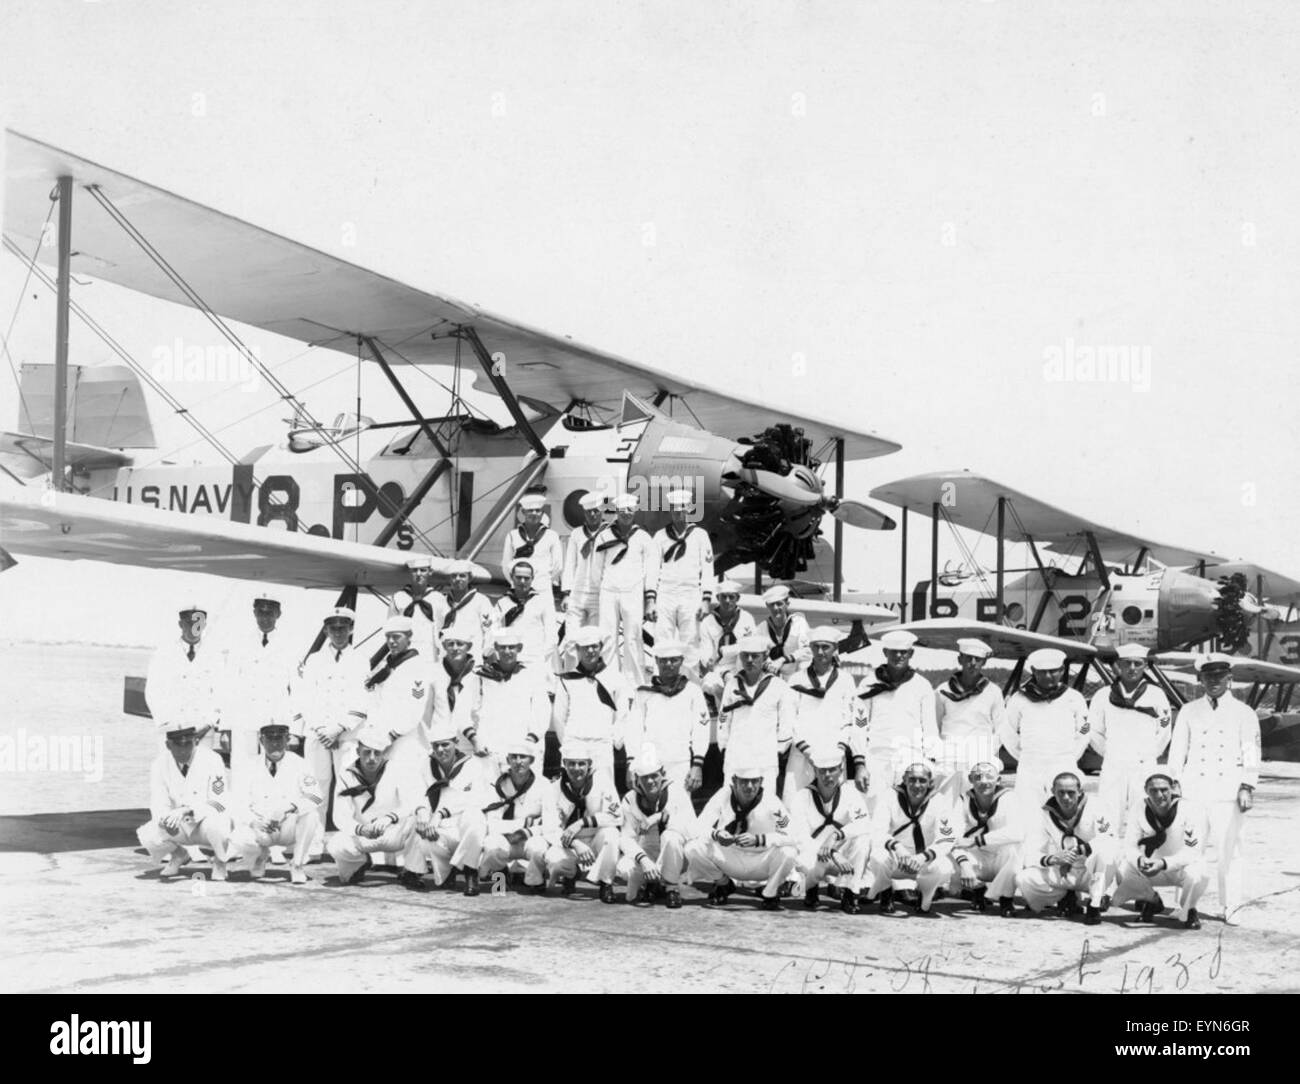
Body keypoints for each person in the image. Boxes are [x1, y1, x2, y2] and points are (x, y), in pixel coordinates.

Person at [1165, 652, 1261, 925]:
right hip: (1194, 789)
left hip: (1227, 790)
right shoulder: (1189, 710)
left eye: (1219, 676)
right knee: (1187, 848)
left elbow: (1251, 752)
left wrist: (1247, 785)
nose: (1213, 681)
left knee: (1230, 850)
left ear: (1230, 679)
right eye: (1208, 677)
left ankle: (1231, 905)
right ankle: (1183, 904)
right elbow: (1177, 750)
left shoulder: (1244, 712)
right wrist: (1175, 783)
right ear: (1201, 679)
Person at [291, 606, 368, 858]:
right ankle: (312, 845)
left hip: (346, 734)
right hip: (317, 734)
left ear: (351, 629)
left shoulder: (360, 658)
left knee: (347, 788)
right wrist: (322, 729)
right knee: (316, 788)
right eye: (333, 628)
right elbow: (304, 698)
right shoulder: (314, 660)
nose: (338, 633)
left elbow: (362, 698)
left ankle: (350, 844)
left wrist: (338, 729)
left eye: (343, 628)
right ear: (325, 630)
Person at [686, 764, 799, 910]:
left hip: (761, 860)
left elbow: (793, 835)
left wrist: (760, 839)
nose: (750, 786)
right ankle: (723, 884)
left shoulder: (771, 800)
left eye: (754, 781)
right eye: (744, 781)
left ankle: (770, 893)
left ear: (761, 781)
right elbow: (697, 826)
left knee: (789, 852)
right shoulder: (724, 795)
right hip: (730, 858)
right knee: (692, 848)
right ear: (734, 780)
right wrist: (717, 834)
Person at [1087, 643, 1172, 833]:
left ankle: (1140, 857)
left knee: (1142, 815)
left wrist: (1148, 754)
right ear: (1118, 666)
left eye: (1137, 664)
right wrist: (1110, 752)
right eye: (1127, 664)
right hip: (1113, 764)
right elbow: (1094, 732)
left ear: (1145, 666)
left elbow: (1164, 730)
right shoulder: (1103, 696)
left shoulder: (1157, 695)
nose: (1132, 668)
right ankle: (1107, 859)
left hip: (1144, 765)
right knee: (1107, 816)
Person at [402, 721, 492, 895]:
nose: (441, 750)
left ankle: (470, 872)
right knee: (417, 825)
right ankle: (444, 872)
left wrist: (441, 813)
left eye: (445, 744)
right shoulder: (425, 765)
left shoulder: (472, 764)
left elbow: (477, 799)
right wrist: (422, 812)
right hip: (440, 830)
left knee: (475, 818)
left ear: (456, 743)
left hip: (463, 828)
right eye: (436, 746)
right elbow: (416, 792)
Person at [1000, 648, 1090, 819]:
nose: (1048, 676)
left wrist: (1070, 756)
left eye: (1053, 671)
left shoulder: (1074, 698)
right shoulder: (1019, 698)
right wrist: (1026, 756)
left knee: (1064, 814)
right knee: (1027, 814)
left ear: (1062, 671)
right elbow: (1007, 732)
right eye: (1042, 672)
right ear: (1033, 671)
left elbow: (1085, 730)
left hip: (1063, 762)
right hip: (1030, 765)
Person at [229, 721, 323, 884]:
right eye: (270, 740)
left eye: (279, 740)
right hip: (261, 827)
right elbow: (237, 802)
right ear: (261, 741)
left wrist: (290, 808)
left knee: (312, 816)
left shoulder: (300, 763)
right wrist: (253, 822)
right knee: (238, 837)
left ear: (287, 740)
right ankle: (259, 858)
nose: (275, 745)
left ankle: (298, 864)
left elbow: (316, 796)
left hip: (288, 825)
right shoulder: (248, 766)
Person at [1112, 773, 1210, 930]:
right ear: (1145, 790)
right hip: (1150, 868)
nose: (1159, 795)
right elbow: (1129, 845)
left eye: (1164, 790)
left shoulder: (1190, 809)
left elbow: (1192, 851)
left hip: (1179, 868)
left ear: (1172, 789)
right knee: (1122, 868)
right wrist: (1139, 859)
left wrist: (1164, 863)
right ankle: (1151, 901)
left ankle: (1189, 909)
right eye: (1153, 790)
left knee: (1200, 871)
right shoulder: (1138, 808)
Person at [136, 722, 232, 881]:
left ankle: (220, 862)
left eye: (187, 743)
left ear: (195, 741)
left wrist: (187, 810)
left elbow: (219, 802)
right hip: (178, 824)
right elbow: (158, 801)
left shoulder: (212, 759)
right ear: (168, 745)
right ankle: (179, 855)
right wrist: (165, 820)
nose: (183, 750)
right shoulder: (159, 764)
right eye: (177, 745)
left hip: (205, 822)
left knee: (220, 827)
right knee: (148, 834)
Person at [1016, 771, 1116, 923]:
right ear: (1052, 792)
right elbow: (1031, 849)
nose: (1066, 798)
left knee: (1106, 855)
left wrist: (1080, 850)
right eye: (1060, 792)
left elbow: (1109, 838)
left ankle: (1094, 904)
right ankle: (1065, 897)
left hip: (1090, 871)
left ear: (1080, 792)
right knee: (1024, 878)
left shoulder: (1097, 806)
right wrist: (1052, 858)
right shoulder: (1044, 813)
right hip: (1063, 869)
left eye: (1071, 793)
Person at [328, 726, 423, 885]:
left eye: (377, 753)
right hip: (362, 834)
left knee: (418, 820)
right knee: (335, 844)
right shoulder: (346, 774)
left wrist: (388, 818)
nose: (371, 758)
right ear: (358, 751)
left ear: (384, 753)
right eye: (366, 752)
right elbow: (340, 815)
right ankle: (360, 863)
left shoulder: (396, 769)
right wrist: (361, 829)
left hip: (393, 833)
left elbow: (411, 803)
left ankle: (412, 871)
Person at [855, 629, 940, 809]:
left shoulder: (922, 686)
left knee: (904, 812)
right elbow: (859, 726)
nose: (899, 656)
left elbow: (930, 727)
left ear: (911, 653)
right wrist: (860, 764)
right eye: (894, 652)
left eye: (904, 652)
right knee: (874, 809)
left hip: (910, 759)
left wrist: (930, 763)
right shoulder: (868, 684)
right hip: (876, 759)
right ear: (885, 652)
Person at [864, 762, 955, 915]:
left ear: (930, 783)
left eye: (922, 780)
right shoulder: (889, 796)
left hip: (923, 861)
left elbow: (946, 838)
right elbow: (877, 831)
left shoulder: (940, 801)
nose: (916, 785)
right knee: (877, 857)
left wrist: (923, 857)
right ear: (904, 780)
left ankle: (925, 896)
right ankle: (886, 892)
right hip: (896, 858)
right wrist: (898, 848)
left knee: (945, 867)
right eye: (912, 780)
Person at [789, 746, 872, 914]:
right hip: (815, 855)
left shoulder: (850, 793)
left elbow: (864, 824)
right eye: (823, 771)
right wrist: (833, 854)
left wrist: (836, 835)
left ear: (841, 770)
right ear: (815, 771)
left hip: (841, 854)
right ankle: (811, 887)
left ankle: (850, 893)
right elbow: (800, 838)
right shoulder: (801, 797)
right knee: (800, 855)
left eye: (832, 770)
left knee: (864, 840)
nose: (828, 775)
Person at [222, 592, 296, 780]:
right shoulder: (239, 643)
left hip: (275, 718)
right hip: (244, 717)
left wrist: (295, 729)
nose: (265, 618)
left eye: (270, 613)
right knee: (241, 768)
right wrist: (225, 725)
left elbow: (297, 688)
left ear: (278, 614)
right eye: (261, 612)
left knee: (273, 769)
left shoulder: (290, 645)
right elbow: (229, 684)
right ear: (254, 613)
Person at [552, 626, 633, 792]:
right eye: (585, 647)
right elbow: (558, 717)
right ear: (577, 650)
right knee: (572, 794)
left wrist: (615, 738)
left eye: (594, 646)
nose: (590, 651)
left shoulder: (614, 678)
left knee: (603, 792)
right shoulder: (567, 680)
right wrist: (567, 745)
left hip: (602, 745)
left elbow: (623, 712)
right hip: (574, 745)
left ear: (601, 648)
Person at [618, 743, 698, 908]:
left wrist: (659, 817)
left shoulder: (677, 793)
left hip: (674, 857)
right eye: (644, 777)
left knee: (671, 836)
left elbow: (692, 831)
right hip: (647, 855)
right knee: (623, 867)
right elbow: (626, 838)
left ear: (662, 774)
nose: (650, 781)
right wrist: (644, 860)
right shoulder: (630, 799)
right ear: (637, 779)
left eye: (654, 775)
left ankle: (671, 888)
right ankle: (651, 884)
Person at [626, 640, 710, 795]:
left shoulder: (693, 691)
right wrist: (631, 763)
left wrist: (697, 764)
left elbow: (701, 729)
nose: (669, 664)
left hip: (679, 760)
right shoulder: (644, 692)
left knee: (680, 812)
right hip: (649, 761)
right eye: (663, 660)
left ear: (681, 661)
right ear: (657, 661)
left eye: (674, 660)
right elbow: (634, 729)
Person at [540, 744, 623, 901]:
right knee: (554, 860)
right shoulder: (553, 789)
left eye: (581, 763)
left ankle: (606, 882)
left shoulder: (603, 782)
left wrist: (582, 822)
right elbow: (550, 829)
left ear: (589, 765)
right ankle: (571, 874)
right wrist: (575, 843)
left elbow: (617, 816)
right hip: (569, 842)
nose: (576, 768)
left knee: (612, 834)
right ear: (564, 764)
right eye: (571, 763)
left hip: (595, 836)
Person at [716, 634, 795, 794]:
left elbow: (787, 723)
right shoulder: (732, 685)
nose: (750, 660)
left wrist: (777, 750)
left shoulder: (778, 686)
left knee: (765, 810)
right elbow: (723, 719)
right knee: (730, 805)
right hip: (736, 758)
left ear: (765, 657)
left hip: (765, 759)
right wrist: (724, 747)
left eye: (755, 656)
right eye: (745, 655)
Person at [466, 629, 551, 777]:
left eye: (511, 647)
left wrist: (530, 741)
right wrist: (475, 739)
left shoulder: (531, 676)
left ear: (519, 648)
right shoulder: (481, 677)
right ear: (496, 648)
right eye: (502, 647)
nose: (507, 651)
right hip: (490, 749)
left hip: (521, 750)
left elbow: (542, 712)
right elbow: (463, 711)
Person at [355, 614, 433, 774]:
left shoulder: (417, 667)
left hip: (403, 742)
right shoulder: (389, 667)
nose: (391, 641)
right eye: (388, 637)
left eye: (396, 636)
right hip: (379, 741)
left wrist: (391, 735)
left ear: (409, 637)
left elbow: (415, 709)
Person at [784, 626, 858, 795]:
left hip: (833, 756)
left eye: (825, 647)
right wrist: (807, 750)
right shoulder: (797, 679)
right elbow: (790, 719)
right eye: (816, 646)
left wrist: (839, 750)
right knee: (794, 805)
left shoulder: (846, 680)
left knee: (833, 808)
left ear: (835, 649)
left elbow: (850, 719)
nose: (820, 651)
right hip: (803, 755)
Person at [594, 492, 659, 680]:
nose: (626, 513)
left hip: (633, 593)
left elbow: (651, 570)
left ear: (635, 511)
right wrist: (604, 589)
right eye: (623, 510)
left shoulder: (644, 538)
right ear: (617, 511)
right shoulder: (604, 536)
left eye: (630, 510)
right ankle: (607, 679)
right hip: (608, 592)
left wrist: (649, 598)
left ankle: (635, 683)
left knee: (633, 638)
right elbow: (596, 570)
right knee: (607, 637)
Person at [934, 637, 1007, 800]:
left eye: (978, 659)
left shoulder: (993, 692)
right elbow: (935, 725)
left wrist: (987, 755)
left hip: (980, 758)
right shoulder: (943, 690)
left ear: (984, 663)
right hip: (949, 758)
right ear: (960, 659)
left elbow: (1001, 729)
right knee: (946, 807)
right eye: (968, 658)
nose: (973, 663)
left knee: (975, 806)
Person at [949, 760, 1023, 916]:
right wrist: (965, 865)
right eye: (978, 777)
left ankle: (1006, 898)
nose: (983, 781)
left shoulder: (1010, 798)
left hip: (1000, 857)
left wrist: (977, 840)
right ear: (970, 779)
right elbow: (953, 836)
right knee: (948, 850)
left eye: (989, 776)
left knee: (1017, 850)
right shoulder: (963, 799)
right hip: (977, 857)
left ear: (998, 780)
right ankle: (978, 890)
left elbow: (1017, 832)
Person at [652, 488, 714, 668]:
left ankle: (691, 685)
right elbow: (653, 570)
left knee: (691, 642)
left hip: (690, 594)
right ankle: (660, 682)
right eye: (674, 508)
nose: (678, 512)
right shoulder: (660, 537)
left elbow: (708, 569)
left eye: (682, 507)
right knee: (663, 640)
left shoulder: (700, 535)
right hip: (666, 593)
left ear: (689, 508)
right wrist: (651, 599)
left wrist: (706, 600)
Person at [145, 602, 221, 748]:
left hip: (203, 733)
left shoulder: (214, 656)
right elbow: (153, 692)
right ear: (180, 624)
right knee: (170, 770)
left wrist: (207, 724)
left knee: (202, 769)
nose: (194, 627)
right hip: (171, 731)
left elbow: (221, 693)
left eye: (199, 623)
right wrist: (168, 724)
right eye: (189, 622)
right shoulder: (163, 654)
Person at [477, 739, 548, 893]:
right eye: (514, 757)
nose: (518, 762)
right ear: (508, 760)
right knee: (491, 844)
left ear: (532, 760)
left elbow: (550, 822)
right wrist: (526, 823)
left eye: (523, 757)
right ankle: (500, 877)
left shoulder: (544, 785)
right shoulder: (498, 785)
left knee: (539, 846)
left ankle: (536, 881)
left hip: (530, 838)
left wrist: (526, 831)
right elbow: (493, 823)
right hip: (506, 838)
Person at [560, 491, 607, 663]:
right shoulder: (577, 534)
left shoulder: (608, 533)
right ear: (584, 514)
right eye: (589, 512)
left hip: (599, 593)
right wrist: (566, 592)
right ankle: (570, 675)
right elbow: (570, 563)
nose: (593, 515)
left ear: (602, 511)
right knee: (571, 638)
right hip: (578, 593)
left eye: (596, 511)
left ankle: (593, 676)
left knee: (594, 639)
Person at [501, 492, 564, 612]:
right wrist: (517, 583)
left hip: (543, 588)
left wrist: (544, 580)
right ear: (523, 512)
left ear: (542, 513)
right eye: (530, 510)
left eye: (537, 510)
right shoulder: (512, 536)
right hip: (519, 589)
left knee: (546, 623)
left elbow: (558, 565)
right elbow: (506, 565)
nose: (534, 514)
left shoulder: (552, 536)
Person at [491, 560, 558, 670]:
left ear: (532, 579)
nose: (522, 581)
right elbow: (494, 633)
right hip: (510, 661)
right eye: (518, 577)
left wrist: (542, 658)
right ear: (512, 577)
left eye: (527, 578)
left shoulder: (543, 602)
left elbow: (551, 635)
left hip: (536, 660)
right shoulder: (502, 603)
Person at [389, 555, 450, 666]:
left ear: (430, 572)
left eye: (423, 570)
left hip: (431, 654)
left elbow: (447, 627)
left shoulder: (438, 598)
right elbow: (391, 628)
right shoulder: (399, 597)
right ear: (409, 573)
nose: (418, 574)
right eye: (414, 571)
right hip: (406, 654)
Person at [430, 630, 481, 754]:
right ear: (444, 647)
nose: (455, 648)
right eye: (450, 644)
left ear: (469, 647)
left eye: (460, 644)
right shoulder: (433, 673)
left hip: (469, 743)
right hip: (440, 743)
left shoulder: (478, 675)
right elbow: (425, 712)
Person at [696, 579, 756, 676]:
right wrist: (707, 662)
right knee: (709, 684)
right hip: (717, 668)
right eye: (723, 597)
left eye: (731, 597)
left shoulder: (747, 618)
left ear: (738, 598)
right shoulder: (707, 622)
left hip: (741, 666)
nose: (727, 601)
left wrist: (724, 651)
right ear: (717, 597)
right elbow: (705, 649)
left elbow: (750, 646)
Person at [440, 559, 496, 660]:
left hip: (473, 656)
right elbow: (437, 630)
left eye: (462, 576)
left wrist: (486, 652)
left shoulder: (481, 601)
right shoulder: (442, 602)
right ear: (449, 579)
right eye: (454, 576)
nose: (458, 579)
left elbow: (490, 629)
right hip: (448, 657)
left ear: (469, 578)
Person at [760, 584, 810, 677]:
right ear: (767, 605)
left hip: (796, 675)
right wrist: (770, 664)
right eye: (772, 604)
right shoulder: (762, 628)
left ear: (787, 604)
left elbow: (806, 650)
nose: (775, 608)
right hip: (772, 674)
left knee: (805, 664)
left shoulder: (799, 623)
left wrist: (782, 660)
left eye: (779, 604)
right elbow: (758, 652)